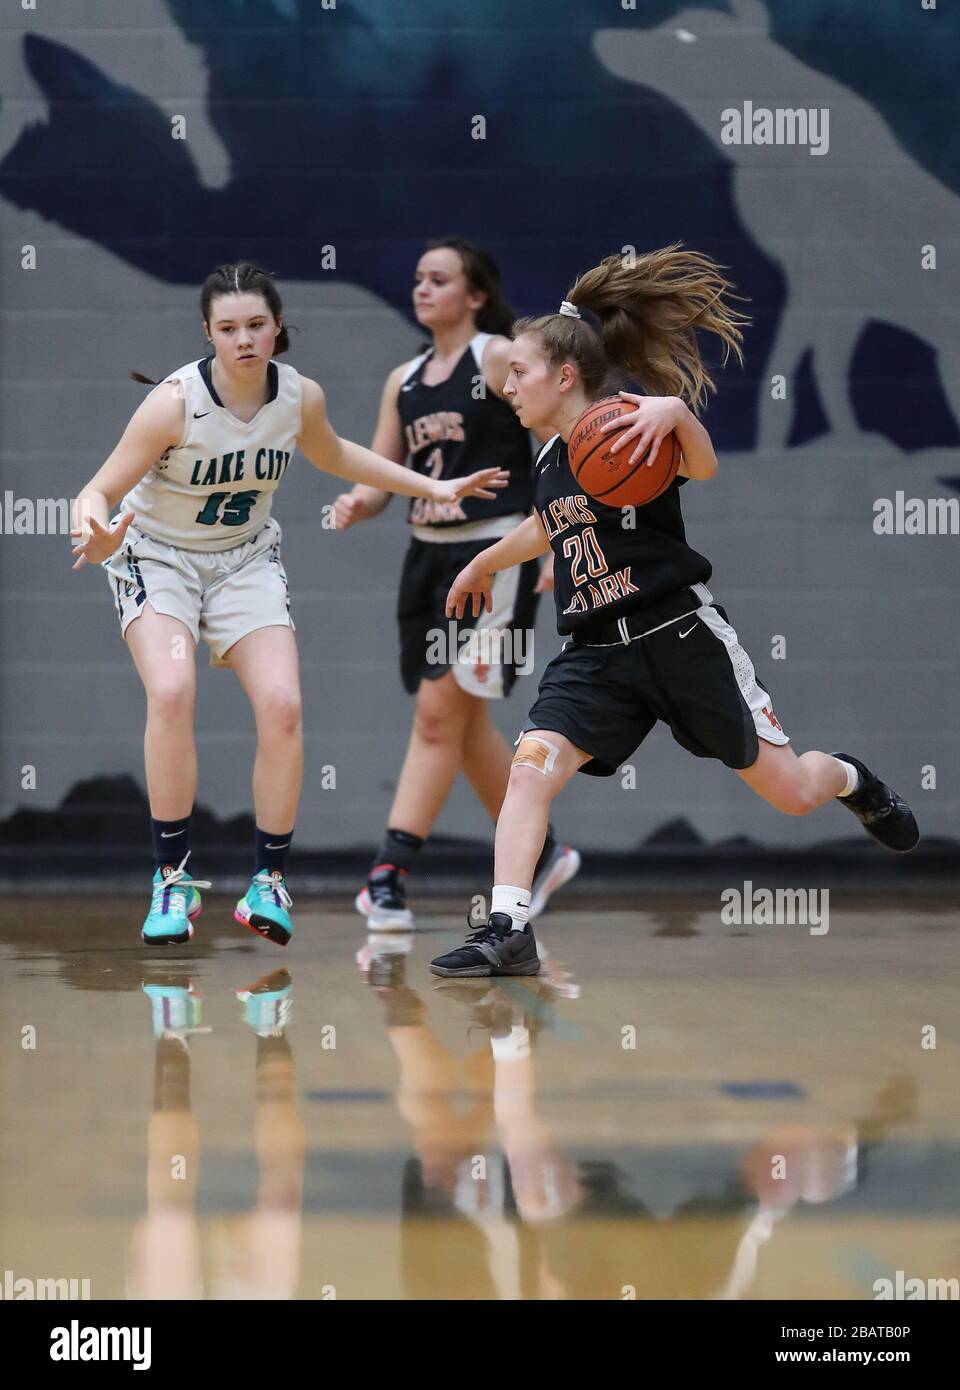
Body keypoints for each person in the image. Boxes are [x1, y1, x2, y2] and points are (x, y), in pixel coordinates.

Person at [430, 245, 919, 978]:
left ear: (564, 375)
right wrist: (483, 560)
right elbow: (551, 524)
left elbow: (702, 465)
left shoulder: (629, 422)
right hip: (596, 653)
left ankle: (853, 779)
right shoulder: (547, 460)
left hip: (679, 634)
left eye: (518, 372)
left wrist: (675, 410)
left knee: (792, 794)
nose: (507, 386)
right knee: (528, 769)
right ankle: (508, 927)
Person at [71, 261, 506, 947]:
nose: (243, 339)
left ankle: (268, 882)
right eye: (228, 328)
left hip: (245, 561)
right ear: (207, 334)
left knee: (282, 705)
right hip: (160, 559)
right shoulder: (174, 403)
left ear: (277, 328)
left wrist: (436, 488)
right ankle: (171, 880)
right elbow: (95, 491)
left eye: (255, 325)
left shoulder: (298, 397)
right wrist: (93, 529)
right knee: (174, 688)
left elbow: (339, 456)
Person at [334, 238, 579, 929]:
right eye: (417, 279)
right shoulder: (404, 379)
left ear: (475, 295)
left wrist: (556, 533)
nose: (422, 289)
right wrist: (358, 499)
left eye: (439, 280)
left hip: (493, 555)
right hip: (426, 558)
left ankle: (387, 871)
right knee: (461, 724)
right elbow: (385, 472)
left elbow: (560, 433)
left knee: (440, 715)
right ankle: (544, 855)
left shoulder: (499, 357)